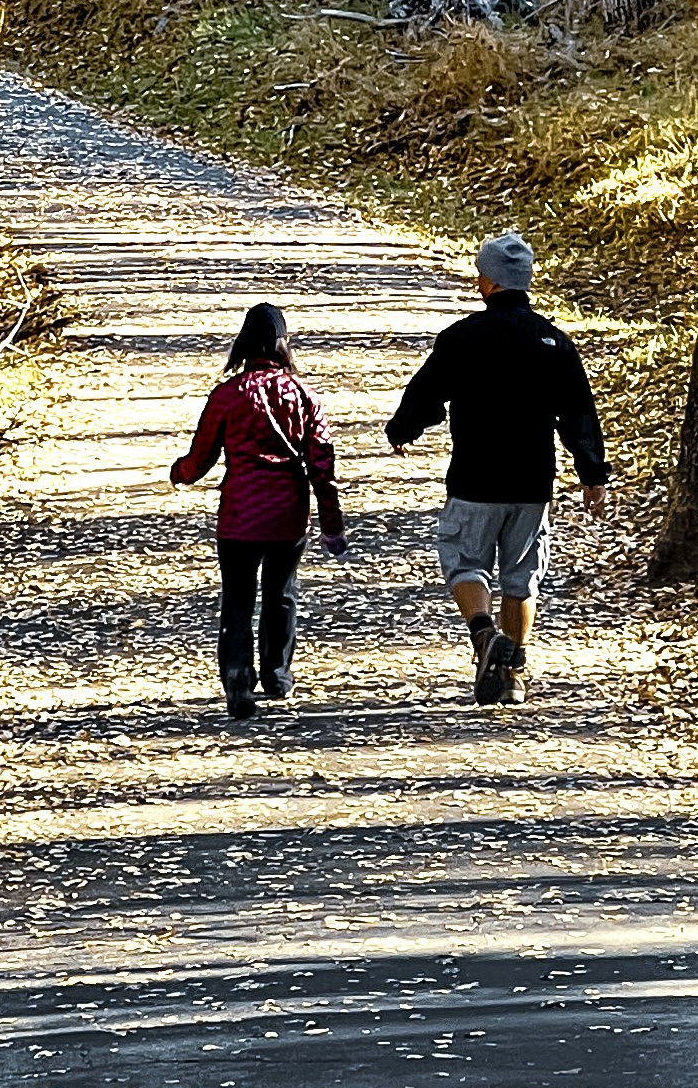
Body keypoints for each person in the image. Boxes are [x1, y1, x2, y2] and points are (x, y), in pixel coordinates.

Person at [386, 227, 608, 706]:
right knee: (521, 577)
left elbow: (426, 393)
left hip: (475, 476)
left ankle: (486, 637)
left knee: (464, 561)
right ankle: (511, 676)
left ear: (488, 282)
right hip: (532, 482)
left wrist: (403, 429)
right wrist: (592, 472)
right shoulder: (554, 342)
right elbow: (578, 412)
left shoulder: (463, 338)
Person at [170, 300, 347, 719]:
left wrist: (180, 472)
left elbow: (202, 455)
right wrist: (332, 523)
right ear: (284, 346)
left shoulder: (227, 395)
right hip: (288, 514)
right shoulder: (304, 396)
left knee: (236, 597)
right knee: (281, 592)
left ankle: (236, 672)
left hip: (239, 516)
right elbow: (322, 463)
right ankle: (277, 675)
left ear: (243, 344)